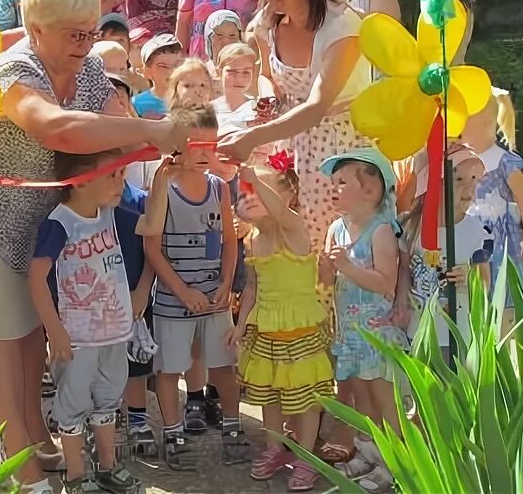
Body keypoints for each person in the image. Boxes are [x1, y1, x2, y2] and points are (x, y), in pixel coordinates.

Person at [0, 0, 186, 492]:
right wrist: (151, 128)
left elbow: (112, 135)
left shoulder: (89, 71)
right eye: (75, 33)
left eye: (92, 31)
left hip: (37, 219)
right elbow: (58, 128)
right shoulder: (14, 69)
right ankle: (21, 463)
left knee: (30, 335)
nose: (86, 43)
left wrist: (183, 140)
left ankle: (36, 438)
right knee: (3, 336)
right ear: (35, 28)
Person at [216, 0, 371, 253]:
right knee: (278, 246)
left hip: (338, 149)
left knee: (330, 250)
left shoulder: (343, 26)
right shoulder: (265, 23)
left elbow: (316, 107)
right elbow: (267, 77)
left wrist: (252, 138)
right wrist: (268, 96)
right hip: (284, 144)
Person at [30, 150, 169, 494]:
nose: (121, 181)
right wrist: (55, 329)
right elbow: (36, 277)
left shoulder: (112, 213)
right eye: (112, 175)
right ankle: (76, 475)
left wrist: (163, 179)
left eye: (122, 174)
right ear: (79, 182)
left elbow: (152, 226)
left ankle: (107, 467)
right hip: (77, 338)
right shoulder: (59, 222)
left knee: (108, 399)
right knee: (72, 404)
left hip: (113, 332)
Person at [144, 104, 249, 470]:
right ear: (177, 146)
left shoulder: (219, 187)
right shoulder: (163, 189)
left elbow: (229, 240)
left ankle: (233, 431)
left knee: (223, 366)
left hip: (214, 299)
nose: (205, 153)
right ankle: (172, 435)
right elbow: (151, 248)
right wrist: (181, 291)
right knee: (170, 369)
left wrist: (225, 282)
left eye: (211, 144)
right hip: (174, 302)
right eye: (196, 145)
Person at [229, 161, 331, 492]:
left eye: (263, 189)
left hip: (301, 332)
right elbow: (253, 288)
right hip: (267, 331)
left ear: (287, 194)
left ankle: (306, 458)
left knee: (306, 400)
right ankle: (275, 448)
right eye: (247, 193)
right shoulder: (253, 240)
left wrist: (252, 179)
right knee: (268, 396)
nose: (253, 196)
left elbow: (278, 211)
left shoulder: (294, 227)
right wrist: (241, 324)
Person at [318, 148, 407, 492]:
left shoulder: (381, 231)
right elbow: (327, 281)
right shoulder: (336, 228)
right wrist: (326, 267)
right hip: (350, 333)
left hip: (375, 333)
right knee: (361, 399)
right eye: (334, 182)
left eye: (341, 182)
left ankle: (393, 464)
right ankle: (369, 452)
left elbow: (386, 284)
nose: (333, 188)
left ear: (370, 191)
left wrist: (348, 268)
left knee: (384, 400)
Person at [395, 146, 492, 351]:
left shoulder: (478, 231)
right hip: (418, 331)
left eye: (475, 180)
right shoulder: (410, 227)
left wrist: (470, 278)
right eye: (459, 180)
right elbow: (403, 269)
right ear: (434, 183)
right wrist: (400, 303)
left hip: (458, 333)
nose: (470, 188)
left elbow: (485, 284)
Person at [459, 87, 523, 318]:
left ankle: (500, 341)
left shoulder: (504, 162)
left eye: (463, 121)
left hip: (499, 241)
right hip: (468, 236)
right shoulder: (460, 159)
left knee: (501, 296)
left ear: (485, 123)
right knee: (473, 296)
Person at [132, 33, 183, 119]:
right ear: (147, 71)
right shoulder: (137, 103)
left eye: (177, 65)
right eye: (162, 66)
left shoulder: (191, 100)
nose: (171, 71)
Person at [211, 43, 257, 130]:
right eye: (232, 71)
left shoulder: (259, 109)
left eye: (245, 72)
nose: (239, 78)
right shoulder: (207, 111)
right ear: (219, 72)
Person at [202, 9, 245, 95]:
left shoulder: (247, 70)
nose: (226, 42)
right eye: (219, 36)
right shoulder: (201, 72)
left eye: (232, 36)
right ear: (209, 39)